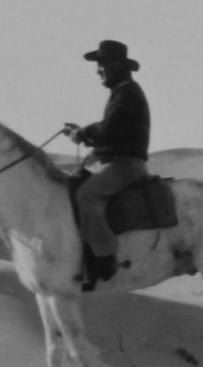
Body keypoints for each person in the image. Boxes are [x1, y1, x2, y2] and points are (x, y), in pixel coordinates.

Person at [65, 39, 151, 282]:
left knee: (86, 195)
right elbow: (113, 132)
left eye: (102, 63)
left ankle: (105, 257)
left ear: (117, 64)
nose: (98, 70)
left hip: (125, 166)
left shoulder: (128, 92)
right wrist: (84, 135)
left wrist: (81, 133)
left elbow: (110, 128)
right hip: (114, 161)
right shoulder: (122, 92)